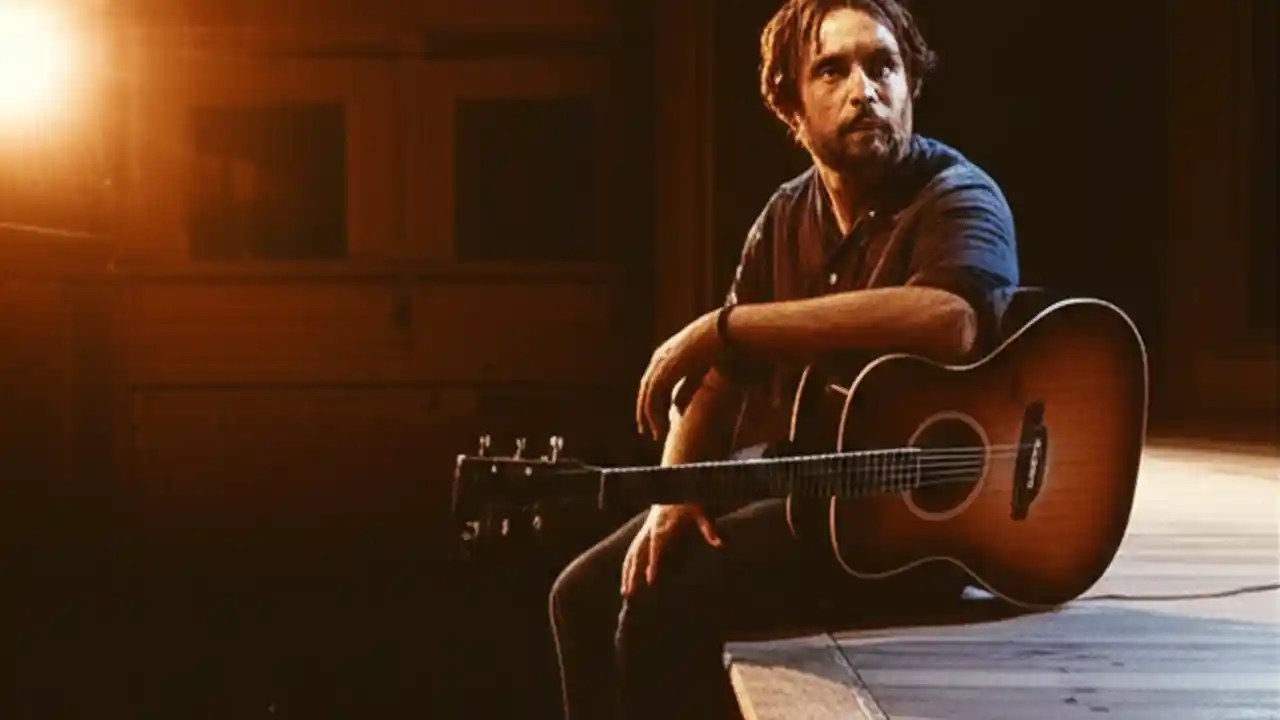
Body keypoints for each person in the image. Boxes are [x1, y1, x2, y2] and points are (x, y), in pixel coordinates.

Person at [549, 0, 1020, 717]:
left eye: (883, 65)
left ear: (912, 86)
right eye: (832, 70)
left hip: (903, 525)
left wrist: (727, 326)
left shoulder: (956, 195)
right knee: (581, 595)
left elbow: (952, 320)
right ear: (789, 108)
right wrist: (676, 492)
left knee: (662, 604)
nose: (865, 89)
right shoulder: (784, 215)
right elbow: (718, 388)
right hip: (807, 486)